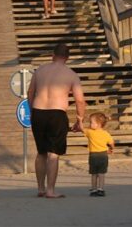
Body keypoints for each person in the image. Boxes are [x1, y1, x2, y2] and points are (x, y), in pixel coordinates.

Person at [27, 42, 87, 199]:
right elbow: (80, 100)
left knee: (41, 152)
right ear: (67, 58)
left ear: (53, 55)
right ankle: (50, 190)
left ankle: (40, 188)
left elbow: (30, 92)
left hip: (38, 111)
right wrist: (80, 120)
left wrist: (32, 111)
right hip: (57, 113)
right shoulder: (71, 74)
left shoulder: (40, 70)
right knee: (53, 154)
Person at [83, 112, 115, 197]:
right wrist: (111, 149)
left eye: (91, 122)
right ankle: (101, 189)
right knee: (101, 173)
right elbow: (111, 142)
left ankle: (94, 189)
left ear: (98, 124)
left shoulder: (90, 132)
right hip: (103, 155)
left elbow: (81, 128)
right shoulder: (106, 133)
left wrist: (80, 120)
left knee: (94, 174)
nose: (90, 124)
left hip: (93, 156)